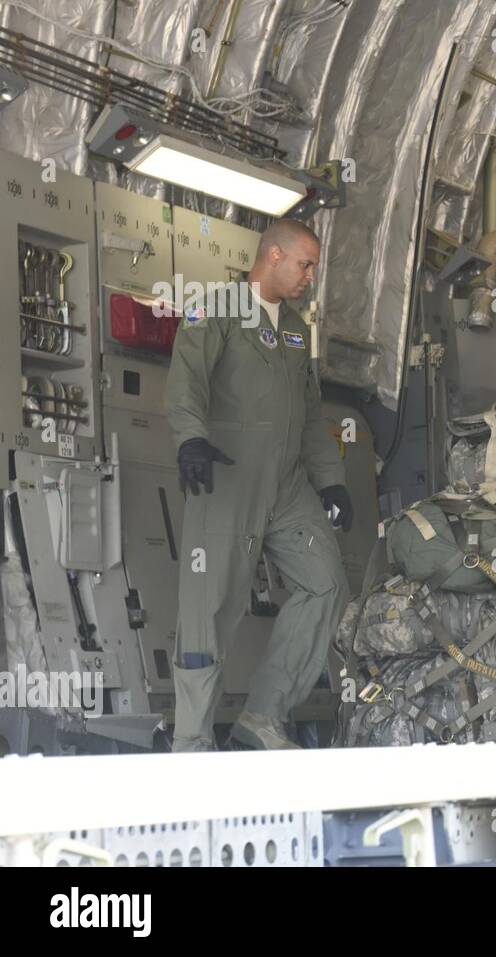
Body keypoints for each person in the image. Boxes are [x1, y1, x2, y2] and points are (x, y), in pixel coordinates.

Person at [165, 219, 353, 751]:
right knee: (211, 610)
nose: (310, 277)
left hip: (288, 485)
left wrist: (332, 482)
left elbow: (311, 415)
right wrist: (190, 440)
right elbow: (186, 382)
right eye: (305, 264)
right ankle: (191, 741)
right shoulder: (214, 308)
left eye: (313, 266)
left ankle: (263, 715)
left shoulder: (296, 329)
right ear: (273, 255)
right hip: (228, 476)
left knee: (326, 582)